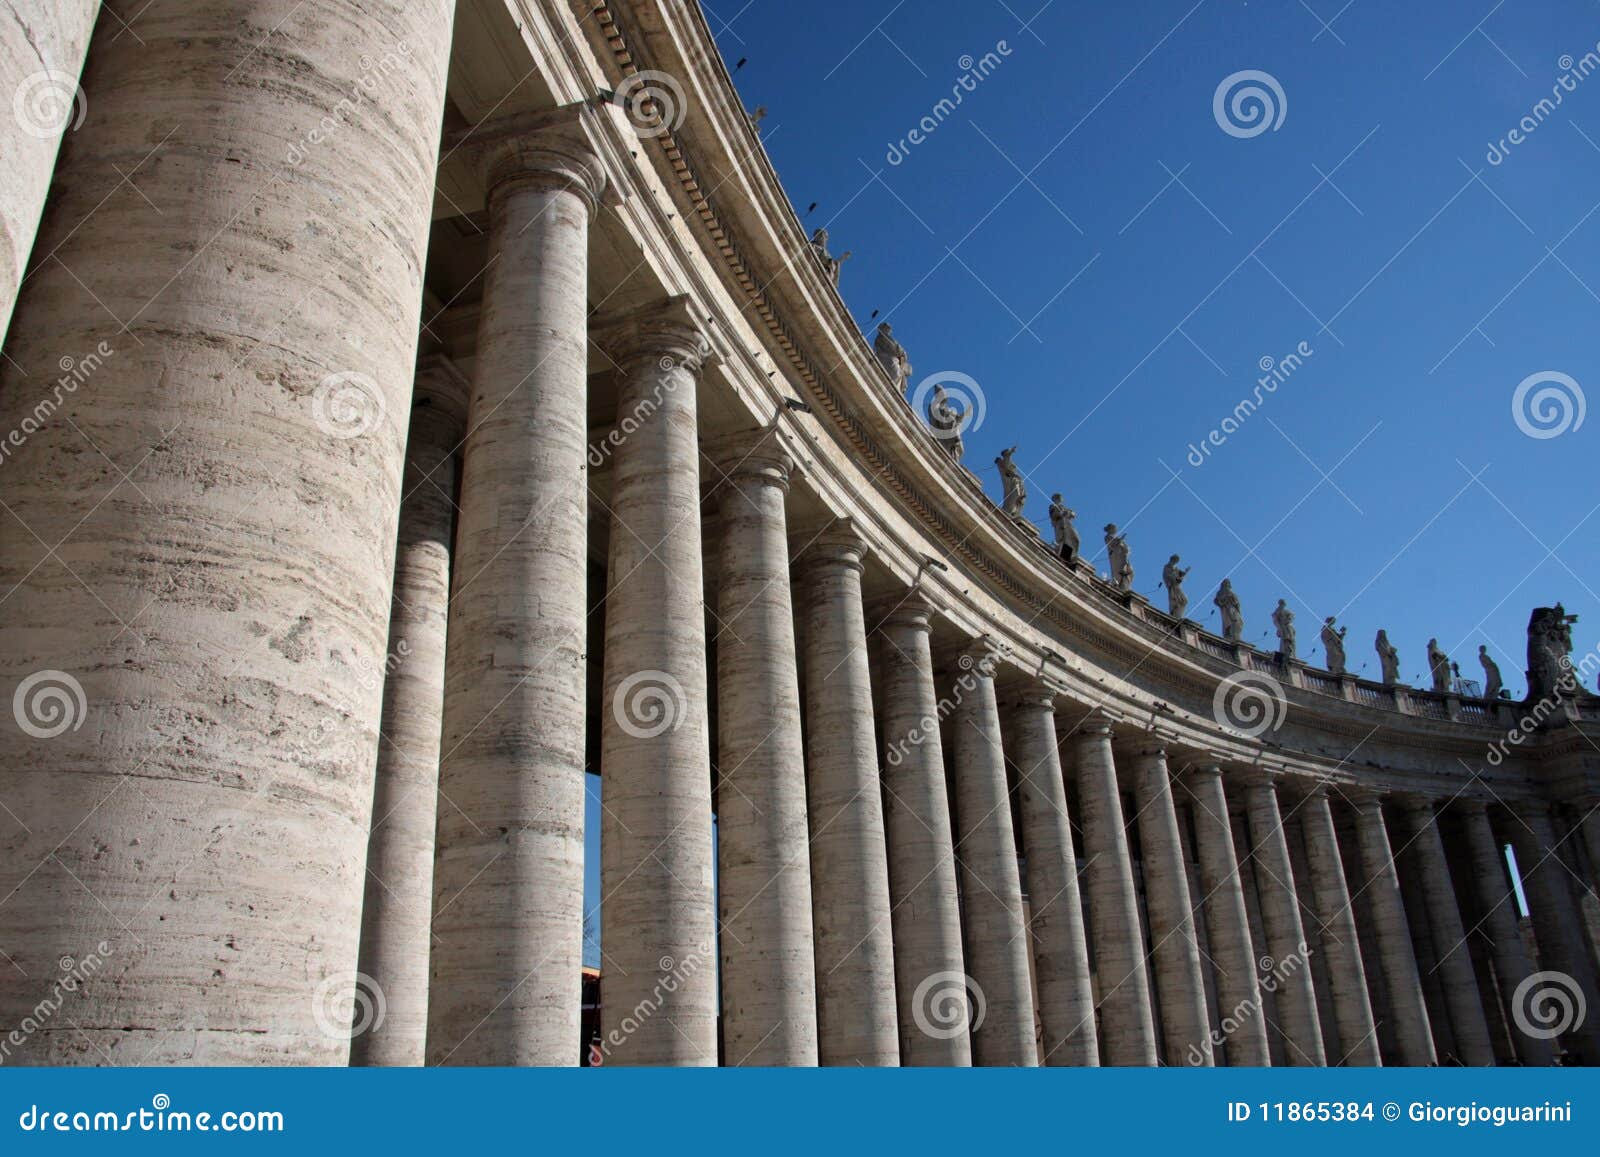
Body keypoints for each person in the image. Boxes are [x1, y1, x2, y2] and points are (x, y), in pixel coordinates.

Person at [1049, 495, 1079, 564]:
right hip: (1060, 525)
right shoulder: (1053, 506)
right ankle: (1066, 557)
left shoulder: (1063, 507)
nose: (1060, 499)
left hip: (1067, 524)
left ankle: (1071, 555)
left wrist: (1069, 513)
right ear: (1055, 499)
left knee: (1076, 539)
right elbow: (1054, 515)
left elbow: (1073, 514)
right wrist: (1061, 513)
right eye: (1058, 498)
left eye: (1060, 498)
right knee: (1064, 540)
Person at [1162, 554, 1189, 619]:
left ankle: (1178, 616)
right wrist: (1175, 578)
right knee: (1179, 601)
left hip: (1177, 586)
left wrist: (1184, 573)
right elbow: (1166, 576)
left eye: (1177, 561)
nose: (1176, 562)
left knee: (1184, 600)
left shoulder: (1176, 568)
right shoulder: (1167, 567)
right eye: (1175, 560)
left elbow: (1181, 574)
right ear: (1172, 559)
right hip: (1173, 587)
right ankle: (1175, 615)